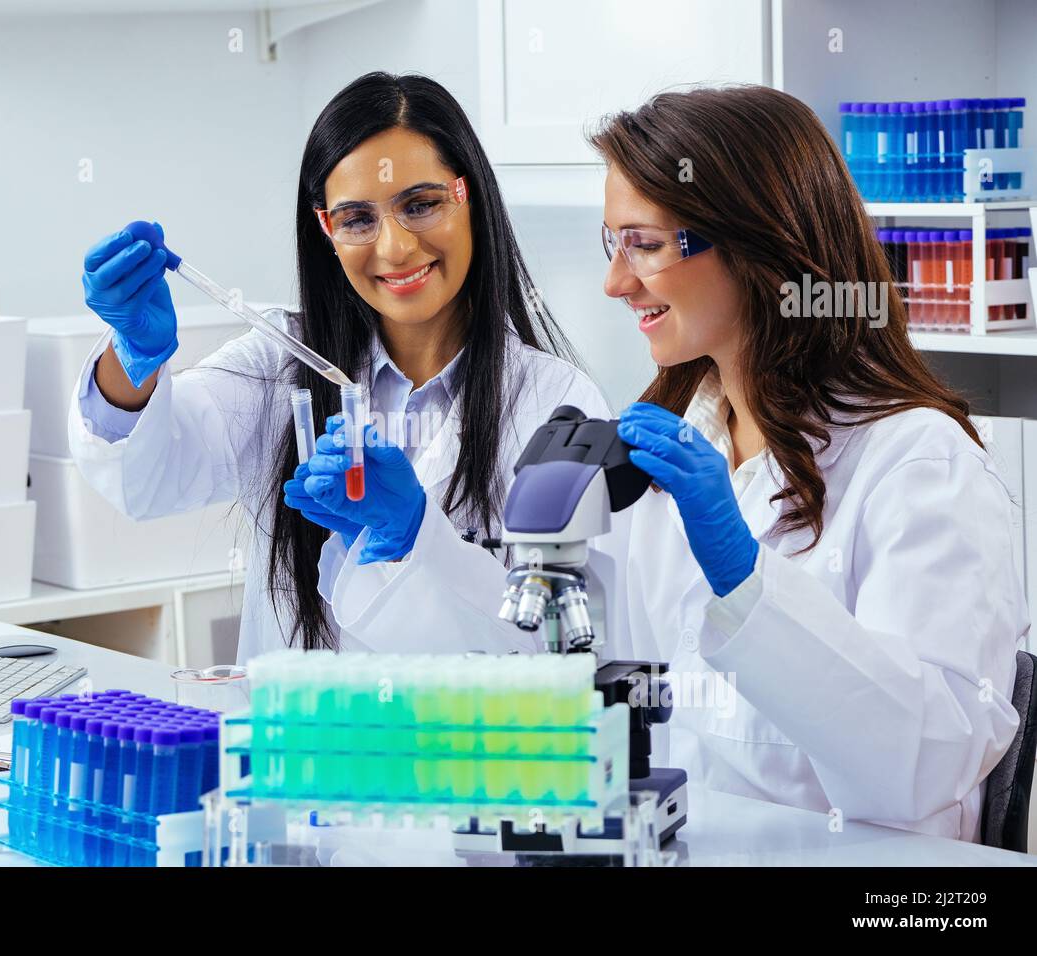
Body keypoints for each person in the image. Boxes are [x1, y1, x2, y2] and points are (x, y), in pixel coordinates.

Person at [306, 85, 1027, 841]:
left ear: (758, 245)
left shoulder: (917, 464)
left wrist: (748, 582)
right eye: (611, 244)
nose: (617, 282)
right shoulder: (673, 450)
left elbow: (927, 766)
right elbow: (561, 672)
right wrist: (417, 537)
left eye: (644, 244)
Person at [69, 71, 608, 664]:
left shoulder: (558, 405)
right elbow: (147, 479)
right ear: (326, 228)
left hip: (466, 755)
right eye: (357, 219)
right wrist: (133, 354)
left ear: (469, 195)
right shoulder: (278, 366)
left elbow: (569, 644)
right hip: (303, 749)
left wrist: (418, 536)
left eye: (422, 205)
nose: (396, 247)